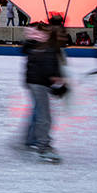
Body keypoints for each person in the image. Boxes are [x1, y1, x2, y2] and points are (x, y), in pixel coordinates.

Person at [22, 23, 67, 163]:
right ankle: (43, 146)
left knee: (40, 112)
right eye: (61, 35)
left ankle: (32, 139)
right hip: (37, 83)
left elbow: (53, 68)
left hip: (36, 82)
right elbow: (49, 69)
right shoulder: (48, 48)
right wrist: (57, 83)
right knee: (44, 115)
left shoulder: (49, 47)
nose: (64, 37)